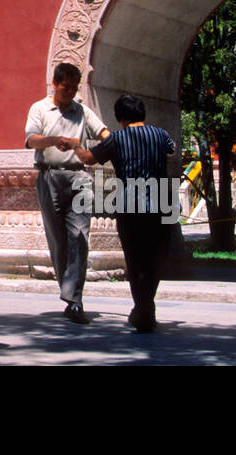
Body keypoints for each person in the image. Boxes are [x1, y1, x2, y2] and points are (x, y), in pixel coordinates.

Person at [55, 94, 177, 333]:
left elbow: (89, 158)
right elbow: (171, 151)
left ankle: (143, 311)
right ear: (143, 114)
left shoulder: (117, 139)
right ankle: (145, 308)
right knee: (155, 258)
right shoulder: (160, 135)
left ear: (120, 118)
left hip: (130, 201)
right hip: (164, 200)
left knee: (135, 258)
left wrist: (75, 145)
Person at [24, 61, 111, 324]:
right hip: (49, 175)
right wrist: (54, 141)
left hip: (78, 177)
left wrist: (115, 142)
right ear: (54, 84)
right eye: (65, 88)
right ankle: (68, 290)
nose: (69, 93)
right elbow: (30, 140)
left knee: (80, 236)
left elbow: (104, 133)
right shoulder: (39, 108)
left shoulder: (82, 111)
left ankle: (75, 299)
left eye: (73, 89)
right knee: (59, 240)